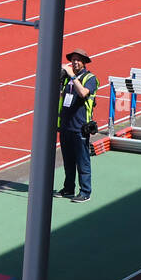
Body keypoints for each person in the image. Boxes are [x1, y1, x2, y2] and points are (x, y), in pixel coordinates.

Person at [57, 48, 98, 203]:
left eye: (78, 60)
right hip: (66, 126)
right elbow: (61, 96)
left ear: (84, 62)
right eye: (72, 59)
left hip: (80, 127)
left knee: (82, 161)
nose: (74, 62)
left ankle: (85, 192)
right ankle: (68, 188)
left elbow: (83, 93)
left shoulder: (90, 78)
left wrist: (72, 76)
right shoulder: (67, 78)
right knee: (68, 161)